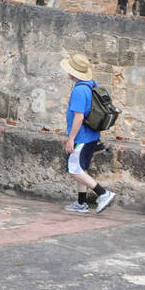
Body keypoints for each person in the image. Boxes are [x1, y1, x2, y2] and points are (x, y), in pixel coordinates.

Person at [60, 53, 115, 214]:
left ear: (73, 72)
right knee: (81, 169)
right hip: (92, 136)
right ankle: (81, 202)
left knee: (73, 169)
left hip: (81, 137)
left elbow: (79, 117)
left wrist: (71, 139)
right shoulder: (91, 84)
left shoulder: (79, 91)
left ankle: (103, 193)